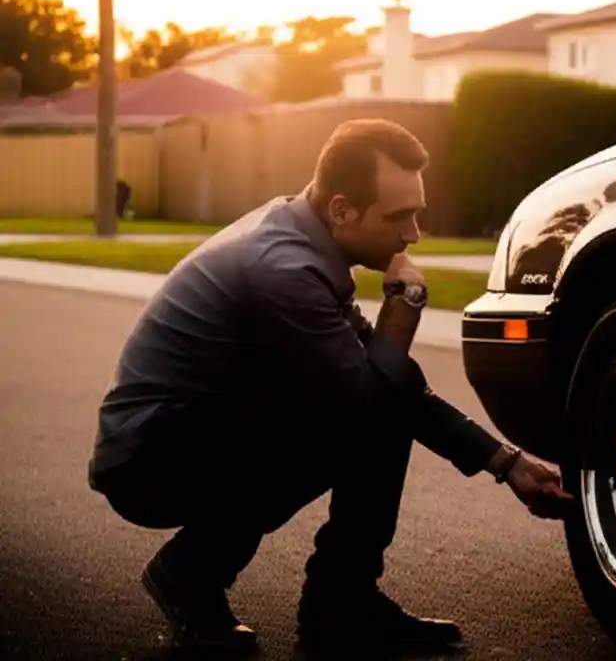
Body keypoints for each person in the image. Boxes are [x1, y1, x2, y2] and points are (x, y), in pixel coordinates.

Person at [86, 118, 573, 656]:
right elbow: (371, 396)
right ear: (341, 210)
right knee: (365, 412)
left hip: (193, 430)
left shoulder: (303, 244)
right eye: (400, 217)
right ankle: (203, 578)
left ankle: (341, 601)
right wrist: (405, 302)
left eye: (416, 213)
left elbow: (391, 384)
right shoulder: (283, 268)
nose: (412, 235)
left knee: (375, 402)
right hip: (150, 458)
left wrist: (507, 464)